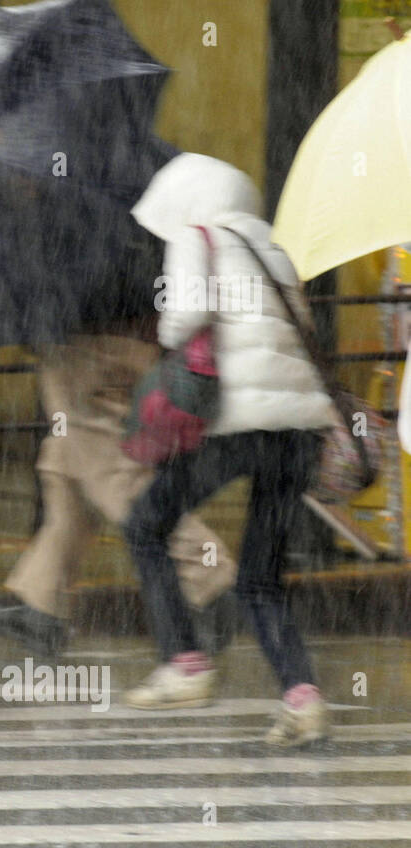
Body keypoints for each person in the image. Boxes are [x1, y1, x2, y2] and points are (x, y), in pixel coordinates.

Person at [123, 153, 337, 746]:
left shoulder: (199, 238)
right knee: (261, 578)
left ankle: (185, 662)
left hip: (236, 423)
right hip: (298, 429)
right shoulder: (276, 246)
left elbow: (182, 318)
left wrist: (167, 328)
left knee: (145, 524)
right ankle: (302, 697)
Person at [0, 332, 238, 660]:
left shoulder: (78, 298)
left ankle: (211, 577)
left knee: (114, 474)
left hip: (85, 347)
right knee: (63, 469)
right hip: (100, 341)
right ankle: (42, 605)